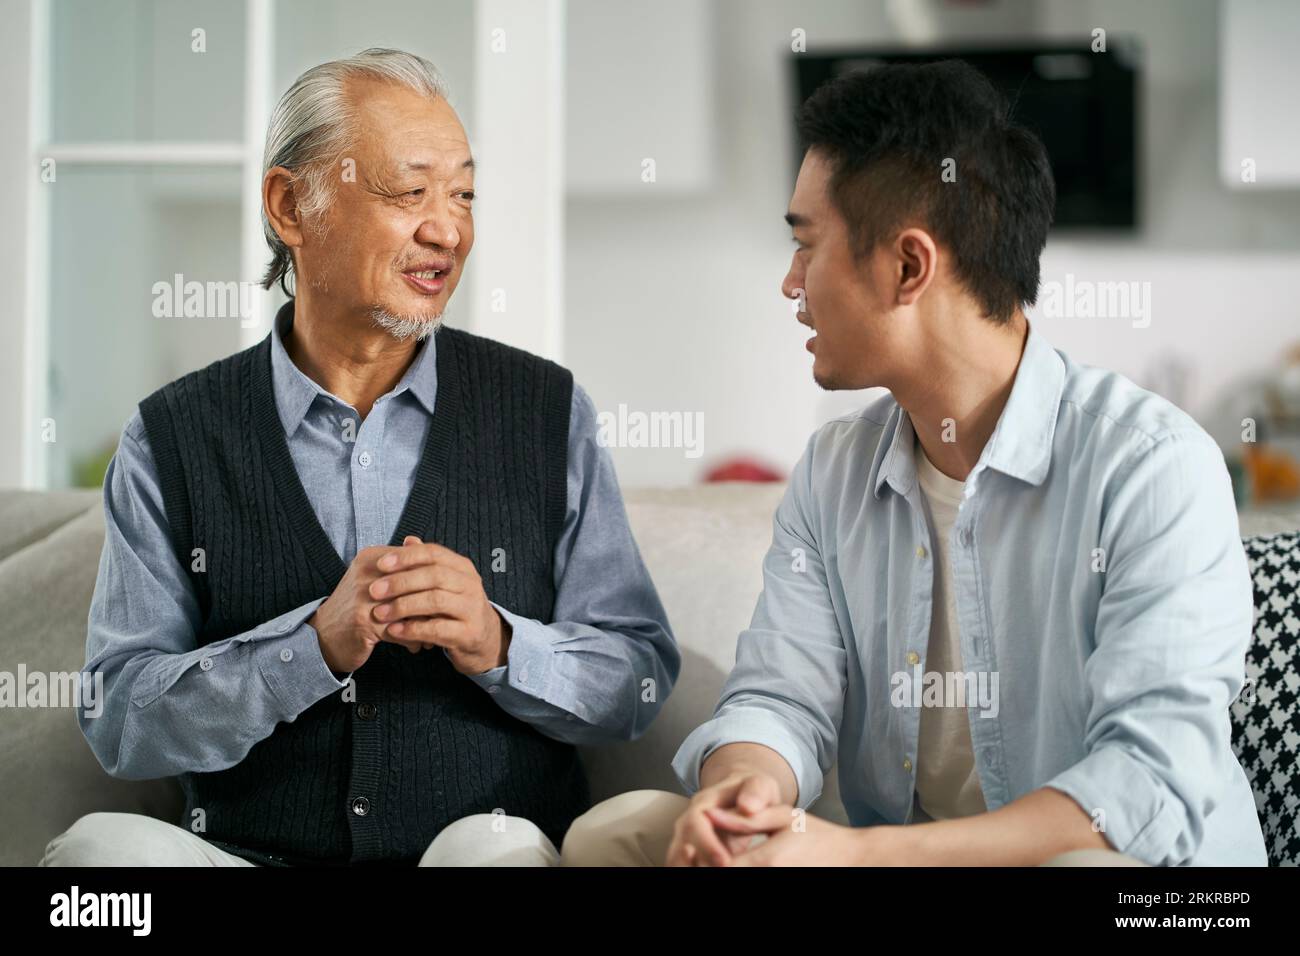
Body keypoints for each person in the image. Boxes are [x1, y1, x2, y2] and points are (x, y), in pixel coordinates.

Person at [560, 60, 1266, 868]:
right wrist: (744, 795)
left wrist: (858, 855)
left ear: (907, 266)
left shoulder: (1153, 468)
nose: (790, 283)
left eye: (805, 245)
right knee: (618, 831)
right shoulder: (834, 472)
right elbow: (781, 698)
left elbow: (1142, 788)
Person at [41, 48, 678, 868]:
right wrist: (304, 649)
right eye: (410, 193)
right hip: (246, 856)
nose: (447, 230)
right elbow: (122, 719)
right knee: (99, 852)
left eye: (463, 195)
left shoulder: (547, 412)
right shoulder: (171, 437)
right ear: (290, 206)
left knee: (496, 848)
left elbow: (639, 680)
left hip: (475, 855)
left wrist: (500, 643)